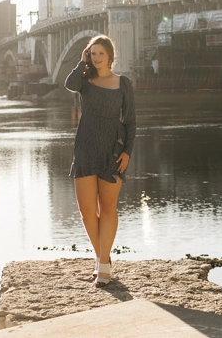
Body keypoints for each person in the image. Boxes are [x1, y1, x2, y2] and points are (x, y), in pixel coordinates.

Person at [65, 34, 136, 287]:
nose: (96, 58)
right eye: (92, 53)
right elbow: (69, 84)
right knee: (86, 212)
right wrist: (81, 62)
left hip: (113, 151)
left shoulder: (122, 83)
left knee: (107, 208)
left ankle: (103, 267)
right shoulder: (84, 80)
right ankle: (102, 257)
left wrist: (127, 151)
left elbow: (130, 122)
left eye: (100, 54)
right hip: (85, 148)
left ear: (110, 56)